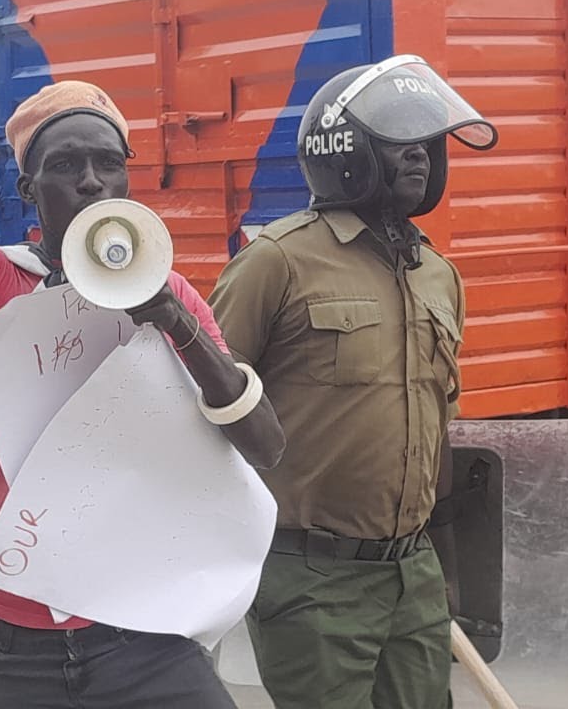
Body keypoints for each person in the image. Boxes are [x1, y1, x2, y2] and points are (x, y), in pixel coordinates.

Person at [0, 0, 285, 707]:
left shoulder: (170, 294)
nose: (90, 180)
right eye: (67, 164)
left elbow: (265, 446)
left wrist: (173, 321)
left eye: (108, 164)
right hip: (19, 657)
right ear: (28, 186)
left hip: (146, 636)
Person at [207, 55, 497, 708]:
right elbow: (205, 416)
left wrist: (443, 572)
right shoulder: (275, 263)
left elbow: (436, 428)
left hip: (413, 574)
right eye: (400, 140)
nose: (422, 155)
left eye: (428, 142)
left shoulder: (439, 276)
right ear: (344, 150)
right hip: (311, 581)